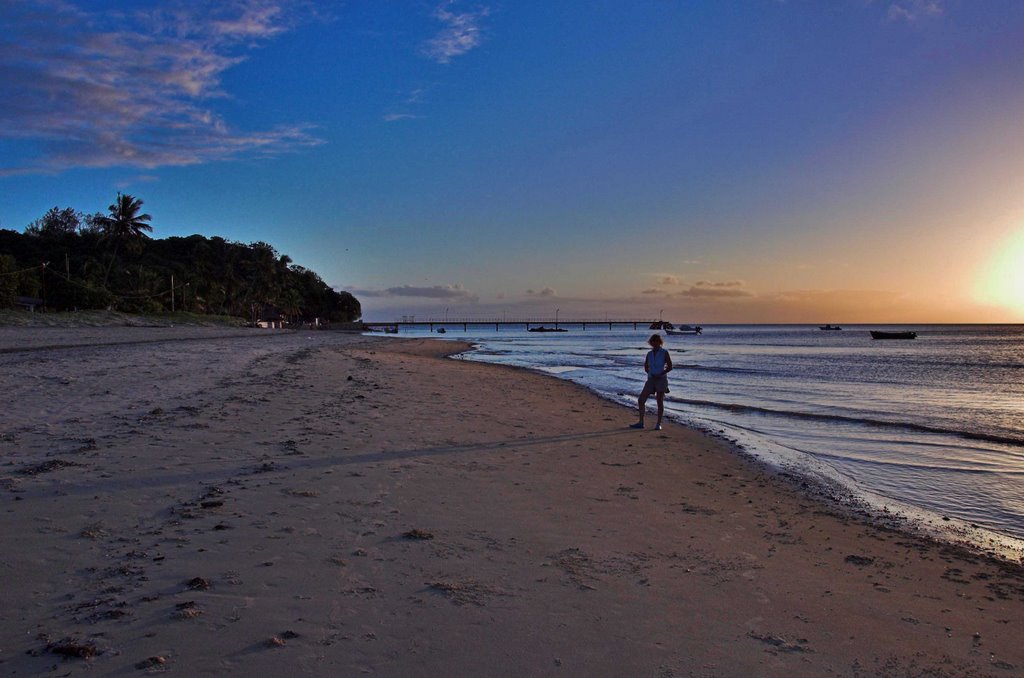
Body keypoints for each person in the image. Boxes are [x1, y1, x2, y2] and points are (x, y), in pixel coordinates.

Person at [631, 333, 672, 430]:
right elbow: (646, 366)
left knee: (659, 401)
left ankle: (658, 424)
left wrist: (661, 373)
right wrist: (649, 372)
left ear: (660, 342)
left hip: (661, 379)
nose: (654, 343)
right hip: (651, 379)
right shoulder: (649, 354)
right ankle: (641, 422)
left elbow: (670, 366)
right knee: (641, 400)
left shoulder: (664, 352)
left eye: (656, 341)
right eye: (653, 341)